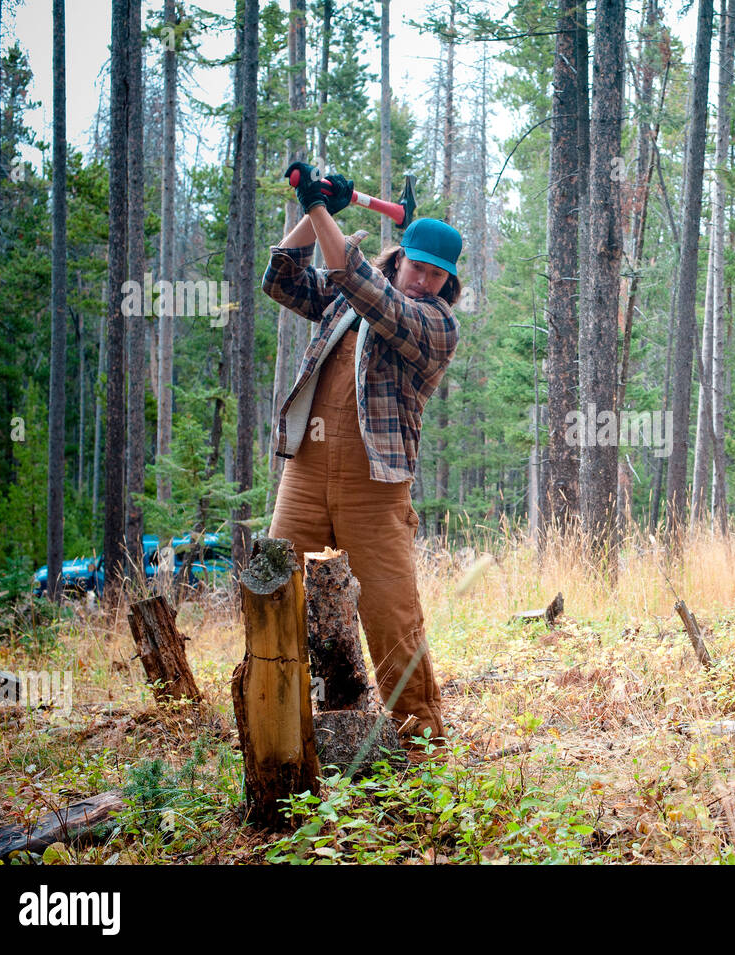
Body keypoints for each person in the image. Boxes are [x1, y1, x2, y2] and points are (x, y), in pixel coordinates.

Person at [260, 161, 461, 758]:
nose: (423, 280)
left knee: (392, 618)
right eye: (416, 267)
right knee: (275, 596)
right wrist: (313, 209)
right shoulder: (346, 301)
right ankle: (275, 729)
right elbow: (283, 278)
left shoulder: (435, 324)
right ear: (399, 257)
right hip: (305, 471)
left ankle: (421, 743)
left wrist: (324, 210)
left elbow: (369, 291)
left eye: (436, 275)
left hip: (376, 486)